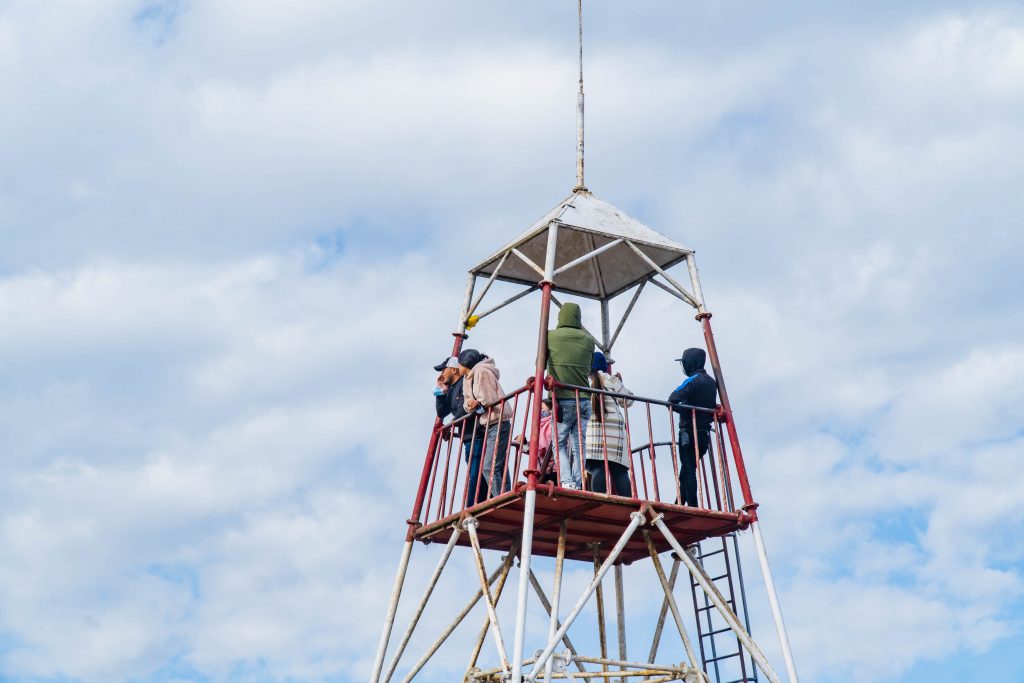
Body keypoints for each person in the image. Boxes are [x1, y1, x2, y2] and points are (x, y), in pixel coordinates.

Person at [546, 302, 595, 489]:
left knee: (558, 443)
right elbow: (589, 367)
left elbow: (540, 363)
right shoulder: (588, 340)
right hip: (584, 399)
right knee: (579, 444)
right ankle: (577, 481)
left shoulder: (550, 336)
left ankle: (566, 481)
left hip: (563, 400)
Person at [668, 347, 718, 507]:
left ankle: (692, 505)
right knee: (686, 471)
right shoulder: (711, 382)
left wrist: (685, 409)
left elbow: (673, 399)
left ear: (690, 363)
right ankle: (679, 502)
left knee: (689, 470)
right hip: (704, 436)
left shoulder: (693, 380)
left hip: (689, 434)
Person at [461, 348, 513, 504]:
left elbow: (489, 399)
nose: (458, 368)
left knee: (489, 466)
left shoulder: (481, 371)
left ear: (465, 363)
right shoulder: (467, 378)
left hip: (497, 421)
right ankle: (505, 496)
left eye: (459, 364)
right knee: (497, 463)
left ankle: (502, 500)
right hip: (488, 424)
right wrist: (470, 405)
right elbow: (467, 401)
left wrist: (478, 404)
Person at [433, 355, 486, 506]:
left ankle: (472, 506)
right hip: (469, 436)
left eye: (444, 369)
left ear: (453, 369)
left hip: (477, 433)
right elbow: (441, 412)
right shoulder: (451, 389)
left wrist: (452, 424)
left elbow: (464, 410)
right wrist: (441, 392)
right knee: (476, 471)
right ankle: (477, 503)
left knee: (477, 471)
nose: (441, 373)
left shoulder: (465, 383)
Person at [585, 352, 635, 496]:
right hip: (615, 431)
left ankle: (598, 501)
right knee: (619, 471)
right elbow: (629, 401)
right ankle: (629, 504)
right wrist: (621, 383)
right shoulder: (612, 380)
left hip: (594, 430)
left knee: (597, 468)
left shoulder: (584, 382)